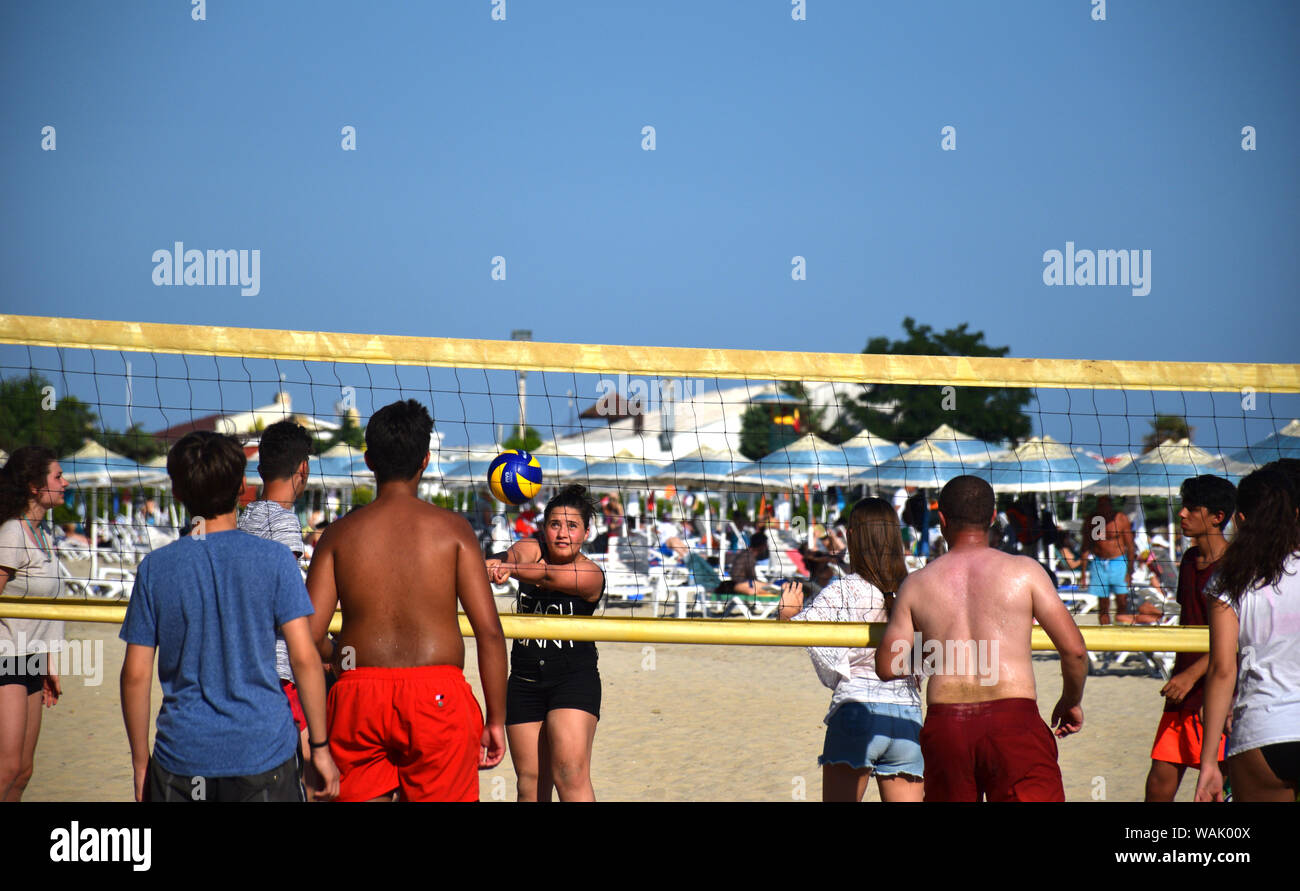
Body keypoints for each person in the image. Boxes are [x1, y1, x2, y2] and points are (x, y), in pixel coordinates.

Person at [119, 432, 339, 802]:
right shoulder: (273, 559)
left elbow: (136, 675)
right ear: (242, 486)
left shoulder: (156, 569)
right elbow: (304, 658)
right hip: (262, 753)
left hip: (182, 754)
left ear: (176, 492)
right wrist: (319, 746)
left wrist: (141, 763)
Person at [307, 399, 507, 801]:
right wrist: (496, 720)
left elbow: (308, 635)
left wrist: (336, 653)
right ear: (427, 460)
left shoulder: (339, 535)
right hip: (437, 694)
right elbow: (489, 632)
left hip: (358, 691)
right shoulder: (452, 530)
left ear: (368, 461)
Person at [878, 475, 1088, 802]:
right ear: (993, 518)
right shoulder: (1025, 572)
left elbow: (889, 665)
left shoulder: (917, 584)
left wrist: (942, 649)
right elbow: (1074, 651)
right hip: (1013, 719)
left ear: (942, 520)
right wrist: (1070, 700)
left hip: (947, 724)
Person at [778, 498, 924, 802]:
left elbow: (805, 632)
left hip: (857, 710)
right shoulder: (916, 588)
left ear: (854, 537)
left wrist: (788, 616)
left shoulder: (845, 589)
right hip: (907, 717)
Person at [487, 485, 606, 801]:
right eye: (555, 524)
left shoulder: (590, 573)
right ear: (544, 528)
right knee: (530, 783)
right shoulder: (531, 548)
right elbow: (515, 554)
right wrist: (499, 562)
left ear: (586, 532)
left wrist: (510, 569)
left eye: (572, 525)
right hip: (524, 683)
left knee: (570, 773)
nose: (563, 533)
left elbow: (548, 577)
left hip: (573, 682)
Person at [1195, 468, 1300, 802]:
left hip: (1264, 729)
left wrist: (1209, 761)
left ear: (1239, 519)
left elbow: (1222, 670)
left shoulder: (1230, 579)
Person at [1143, 475, 1235, 801]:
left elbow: (1235, 639)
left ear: (1217, 517)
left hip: (1218, 693)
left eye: (1191, 508)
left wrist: (1191, 674)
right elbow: (1190, 624)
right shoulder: (1188, 561)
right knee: (1158, 785)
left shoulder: (1236, 566)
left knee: (1211, 791)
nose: (1182, 514)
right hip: (1183, 692)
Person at [238, 420, 314, 785]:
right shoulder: (284, 523)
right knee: (308, 765)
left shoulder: (246, 516)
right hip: (278, 673)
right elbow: (284, 602)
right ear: (303, 468)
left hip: (247, 667)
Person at [0, 447, 68, 801]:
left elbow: (44, 610)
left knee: (24, 771)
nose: (65, 481)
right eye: (57, 476)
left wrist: (47, 662)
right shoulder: (13, 532)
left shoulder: (44, 534)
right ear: (33, 487)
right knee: (7, 769)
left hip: (30, 660)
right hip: (5, 659)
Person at [1079, 495, 1136, 625]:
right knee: (1103, 605)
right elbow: (1085, 546)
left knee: (1122, 601)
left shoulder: (1120, 519)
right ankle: (1105, 635)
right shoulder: (1093, 519)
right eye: (1100, 504)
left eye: (1105, 504)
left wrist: (1130, 571)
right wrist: (1083, 573)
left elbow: (1130, 547)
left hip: (1118, 561)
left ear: (1111, 505)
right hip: (1099, 562)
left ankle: (1122, 633)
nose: (1102, 507)